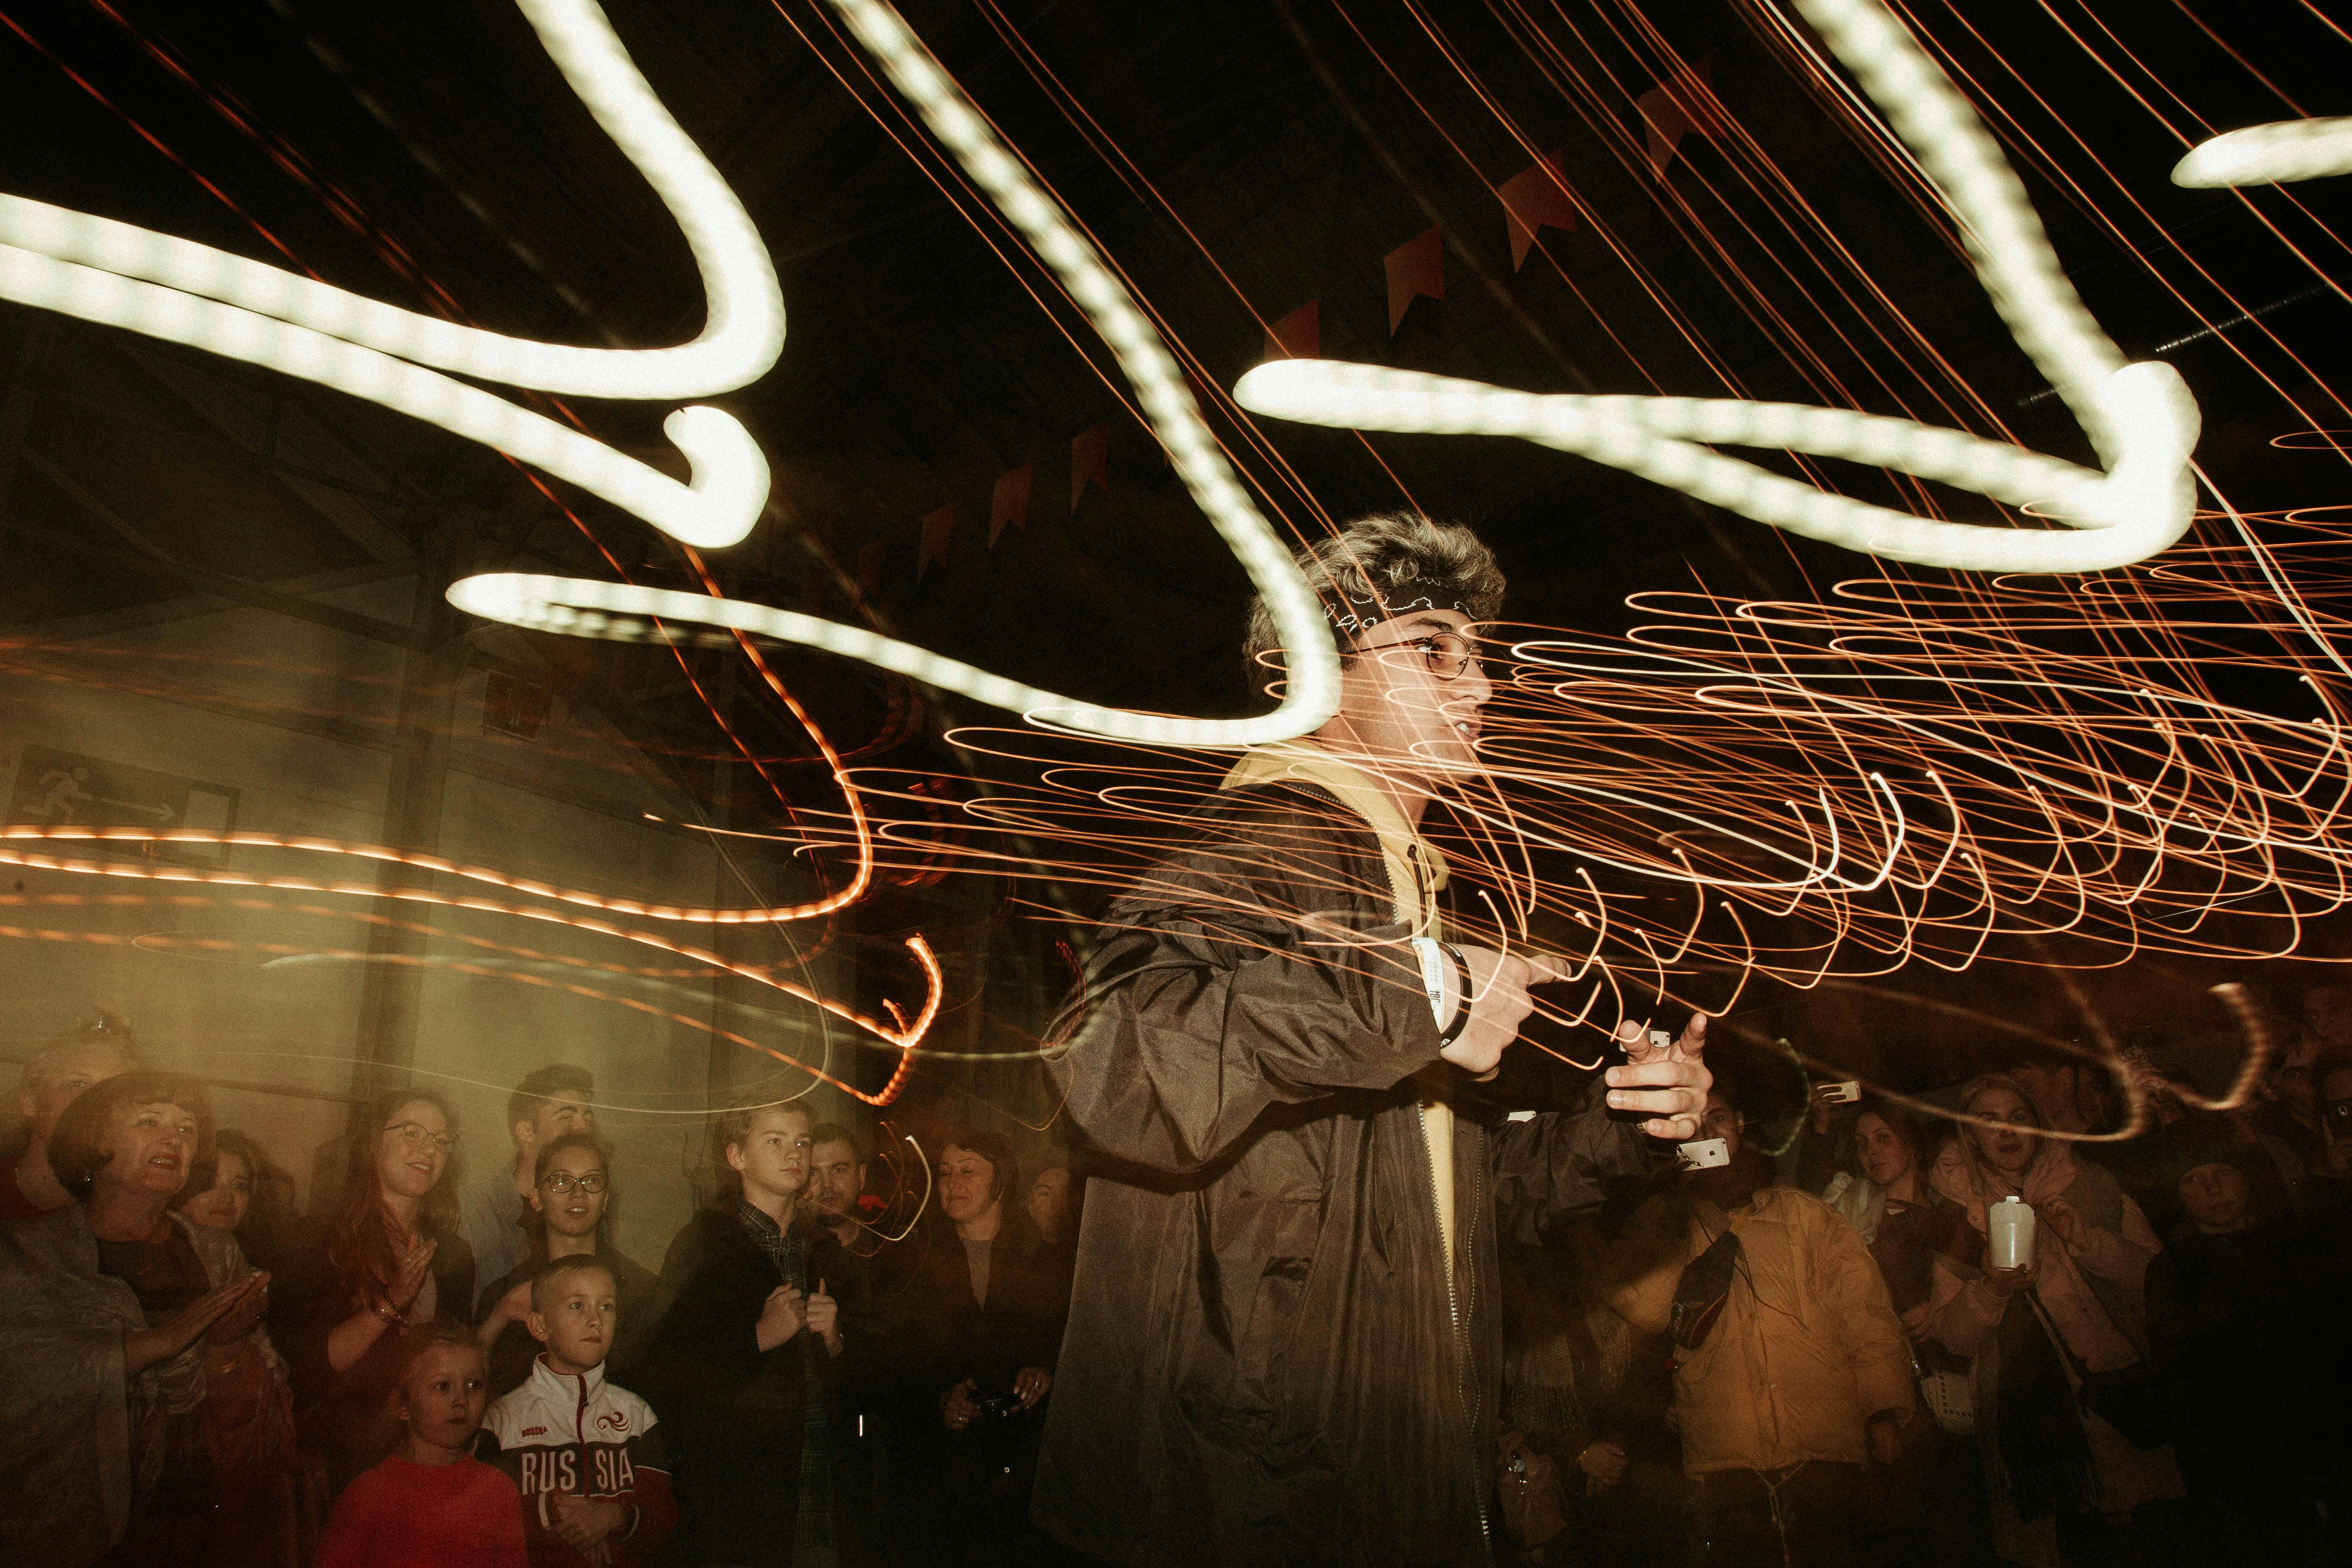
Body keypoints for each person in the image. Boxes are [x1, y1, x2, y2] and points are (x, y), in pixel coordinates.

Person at [1034, 514, 1711, 1566]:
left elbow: (1457, 1207)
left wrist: (1622, 1125)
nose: (1477, 688)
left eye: (1477, 658)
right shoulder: (1259, 846)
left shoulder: (1404, 891)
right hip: (1255, 1488)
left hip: (1397, 1462)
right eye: (1430, 650)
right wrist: (1420, 992)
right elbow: (1109, 1067)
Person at [1602, 1082, 1916, 1567]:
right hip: (1724, 1461)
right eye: (1694, 1124)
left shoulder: (1805, 1216)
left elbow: (1866, 1315)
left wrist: (1883, 1412)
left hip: (1825, 1451)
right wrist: (1677, 1203)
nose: (1708, 1131)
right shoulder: (1666, 1220)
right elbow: (1642, 1309)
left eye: (1719, 1118)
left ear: (1741, 1125)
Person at [0, 1071, 271, 1568]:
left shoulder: (216, 1252)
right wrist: (151, 1346)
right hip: (73, 1514)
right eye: (150, 1121)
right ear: (92, 1142)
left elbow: (259, 1394)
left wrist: (228, 1350)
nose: (174, 1138)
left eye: (188, 1130)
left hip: (188, 1506)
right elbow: (16, 1379)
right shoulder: (27, 1253)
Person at [1924, 1074, 2184, 1567]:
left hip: (2116, 1402)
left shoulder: (2090, 1184)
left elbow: (2160, 1284)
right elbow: (1952, 1337)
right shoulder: (1958, 1216)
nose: (2006, 1131)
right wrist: (1992, 1290)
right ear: (1971, 1138)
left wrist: (2090, 1244)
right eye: (1989, 1121)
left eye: (2018, 1118)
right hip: (2029, 1432)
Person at [634, 1101, 854, 1568]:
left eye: (802, 1142)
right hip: (738, 1490)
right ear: (737, 1157)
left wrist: (837, 1343)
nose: (793, 1153)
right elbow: (659, 1370)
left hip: (821, 1477)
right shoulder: (704, 1245)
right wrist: (757, 1337)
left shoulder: (826, 1251)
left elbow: (872, 1379)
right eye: (774, 1141)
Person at [2142, 1132, 2350, 1565]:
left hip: (2326, 1436)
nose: (2214, 1189)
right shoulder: (2174, 1268)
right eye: (2194, 1180)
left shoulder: (2294, 1243)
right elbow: (2179, 1371)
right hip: (2241, 1457)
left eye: (2223, 1173)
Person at [273, 1087, 478, 1492]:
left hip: (426, 1452)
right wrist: (392, 1302)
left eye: (440, 1141)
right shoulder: (318, 1239)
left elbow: (457, 1362)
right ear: (373, 1143)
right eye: (411, 1133)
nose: (428, 1150)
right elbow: (312, 1367)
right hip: (345, 1458)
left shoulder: (453, 1251)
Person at [902, 1129, 1064, 1567]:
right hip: (952, 1467)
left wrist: (1046, 1370)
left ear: (1001, 1184)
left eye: (968, 1171)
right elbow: (903, 1359)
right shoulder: (917, 1259)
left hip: (1026, 1459)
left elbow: (1071, 1339)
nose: (953, 1184)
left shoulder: (1043, 1258)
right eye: (946, 1173)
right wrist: (941, 1397)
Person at [175, 1130, 319, 1568]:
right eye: (209, 1182)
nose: (225, 1198)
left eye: (239, 1186)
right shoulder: (162, 1271)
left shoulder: (254, 1271)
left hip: (245, 1474)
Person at [480, 1257, 678, 1568]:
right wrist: (553, 1512)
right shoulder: (503, 1418)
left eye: (607, 1307)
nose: (596, 1320)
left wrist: (616, 1518)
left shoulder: (637, 1414)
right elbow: (480, 1523)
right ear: (540, 1326)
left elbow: (663, 1521)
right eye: (577, 1306)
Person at [312, 1323, 528, 1568]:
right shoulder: (369, 1495)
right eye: (442, 1386)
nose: (461, 1400)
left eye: (474, 1385)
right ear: (403, 1405)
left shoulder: (498, 1490)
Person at [473, 1133, 657, 1396]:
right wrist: (500, 1316)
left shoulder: (641, 1289)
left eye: (591, 1181)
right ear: (536, 1198)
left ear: (605, 1199)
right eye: (561, 1181)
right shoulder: (505, 1293)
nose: (578, 1193)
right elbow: (475, 1388)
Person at [459, 1065, 596, 1300]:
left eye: (587, 1117)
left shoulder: (587, 1203)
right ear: (526, 1132)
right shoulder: (472, 1209)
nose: (582, 1128)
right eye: (566, 1118)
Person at [0, 1011, 141, 1220]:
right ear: (29, 1102)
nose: (96, 1100)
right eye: (78, 1084)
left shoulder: (127, 1209)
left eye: (112, 1089)